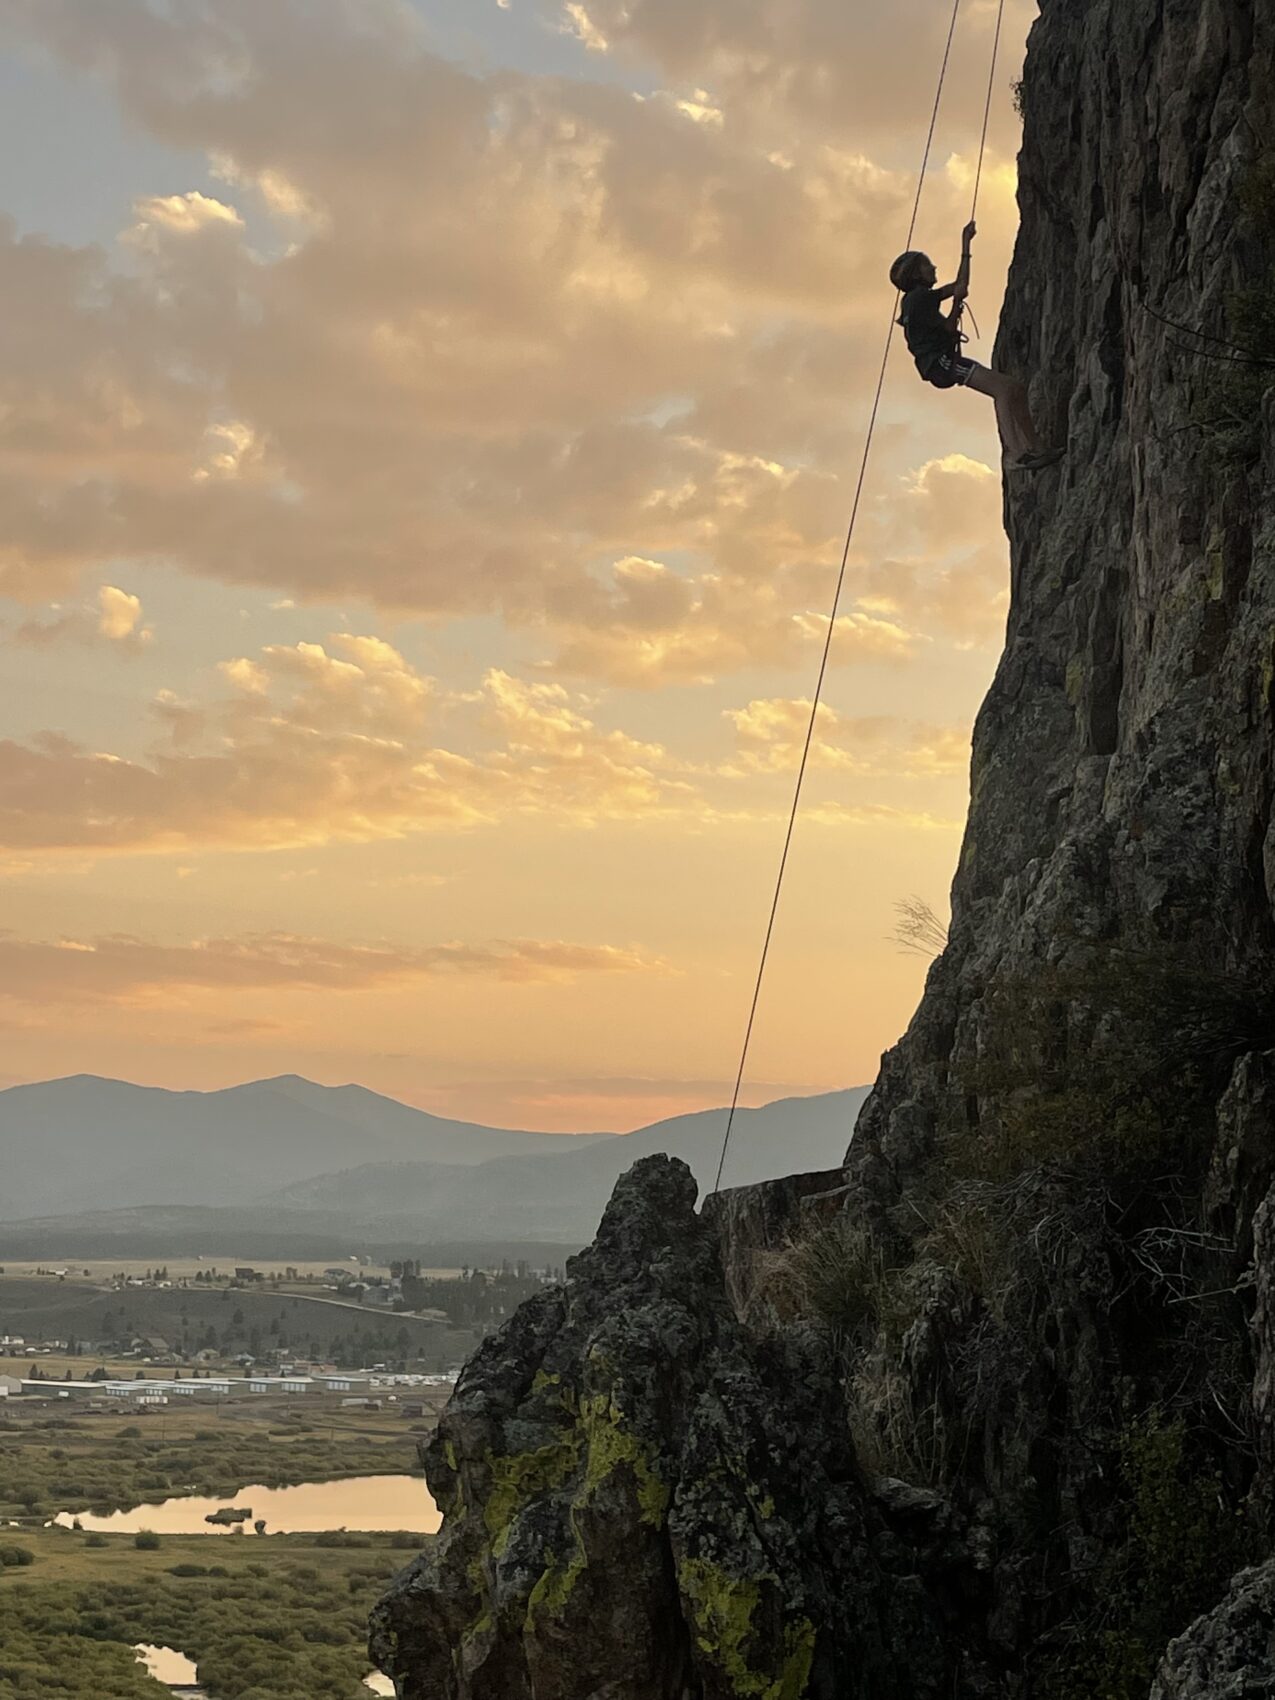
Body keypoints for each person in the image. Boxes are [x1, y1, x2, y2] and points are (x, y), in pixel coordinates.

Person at [891, 221, 1063, 471]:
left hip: (940, 363)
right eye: (927, 265)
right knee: (1003, 390)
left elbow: (960, 286)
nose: (933, 267)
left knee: (1014, 387)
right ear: (917, 274)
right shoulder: (920, 299)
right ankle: (1016, 454)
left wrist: (966, 245)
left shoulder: (916, 301)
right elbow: (950, 322)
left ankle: (1035, 447)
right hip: (942, 364)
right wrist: (956, 302)